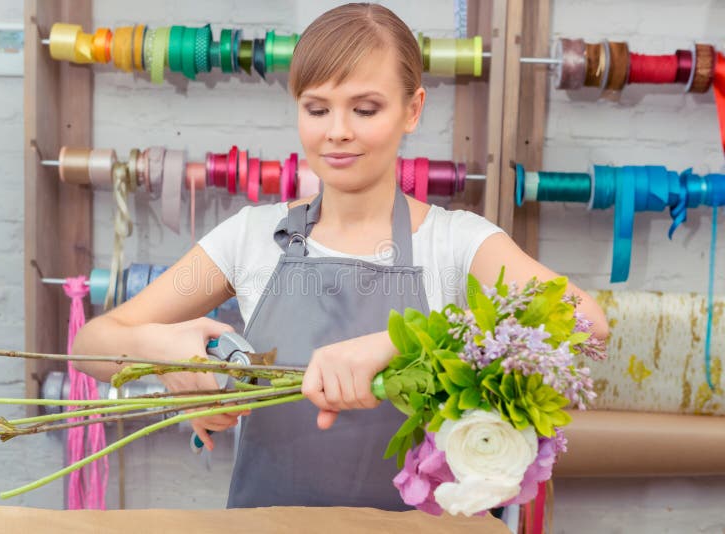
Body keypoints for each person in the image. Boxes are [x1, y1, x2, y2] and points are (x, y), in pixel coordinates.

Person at [72, 2, 609, 511]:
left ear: (413, 110)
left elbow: (587, 324)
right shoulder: (251, 238)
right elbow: (90, 347)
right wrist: (164, 351)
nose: (337, 131)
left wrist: (396, 345)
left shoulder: (459, 243)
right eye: (317, 108)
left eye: (366, 108)